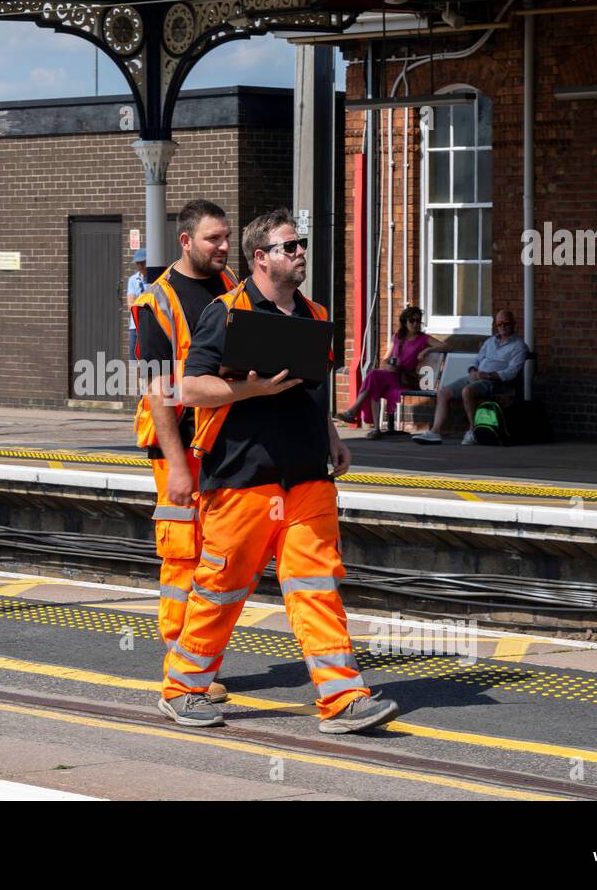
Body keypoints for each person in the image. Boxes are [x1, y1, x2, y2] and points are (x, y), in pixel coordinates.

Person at [158, 207, 400, 735]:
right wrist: (252, 390)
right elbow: (190, 388)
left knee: (317, 586)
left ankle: (342, 700)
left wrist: (333, 436)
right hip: (244, 477)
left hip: (308, 477)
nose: (300, 254)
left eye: (302, 245)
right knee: (221, 588)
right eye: (290, 246)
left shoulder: (313, 314)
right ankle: (182, 690)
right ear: (260, 257)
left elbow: (313, 389)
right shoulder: (227, 312)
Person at [131, 200, 238, 704]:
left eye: (226, 237)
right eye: (214, 239)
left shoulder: (228, 283)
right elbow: (158, 388)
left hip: (218, 439)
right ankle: (180, 664)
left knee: (216, 553)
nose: (223, 247)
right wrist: (176, 465)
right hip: (176, 443)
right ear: (186, 241)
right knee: (183, 553)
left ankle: (198, 662)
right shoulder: (158, 301)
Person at [412, 308, 527, 446]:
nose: (502, 326)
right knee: (443, 392)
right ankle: (435, 432)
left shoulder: (519, 346)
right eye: (499, 324)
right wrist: (473, 370)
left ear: (514, 323)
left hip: (494, 382)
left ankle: (473, 431)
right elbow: (476, 360)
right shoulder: (490, 341)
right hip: (476, 377)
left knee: (467, 391)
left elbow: (511, 372)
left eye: (506, 323)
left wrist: (488, 374)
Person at [340, 306, 449, 438]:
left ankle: (357, 414)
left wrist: (426, 350)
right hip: (391, 375)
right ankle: (372, 427)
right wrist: (389, 366)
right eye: (412, 320)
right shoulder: (397, 337)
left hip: (405, 379)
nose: (415, 323)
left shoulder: (423, 339)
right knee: (375, 379)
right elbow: (385, 360)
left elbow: (446, 346)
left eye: (418, 320)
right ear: (405, 322)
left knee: (374, 376)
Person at [125, 249, 147, 361]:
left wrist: (139, 303)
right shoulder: (133, 280)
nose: (140, 266)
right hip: (135, 325)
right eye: (138, 263)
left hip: (150, 325)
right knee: (133, 358)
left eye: (143, 262)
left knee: (149, 357)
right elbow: (130, 305)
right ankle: (133, 379)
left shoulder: (156, 279)